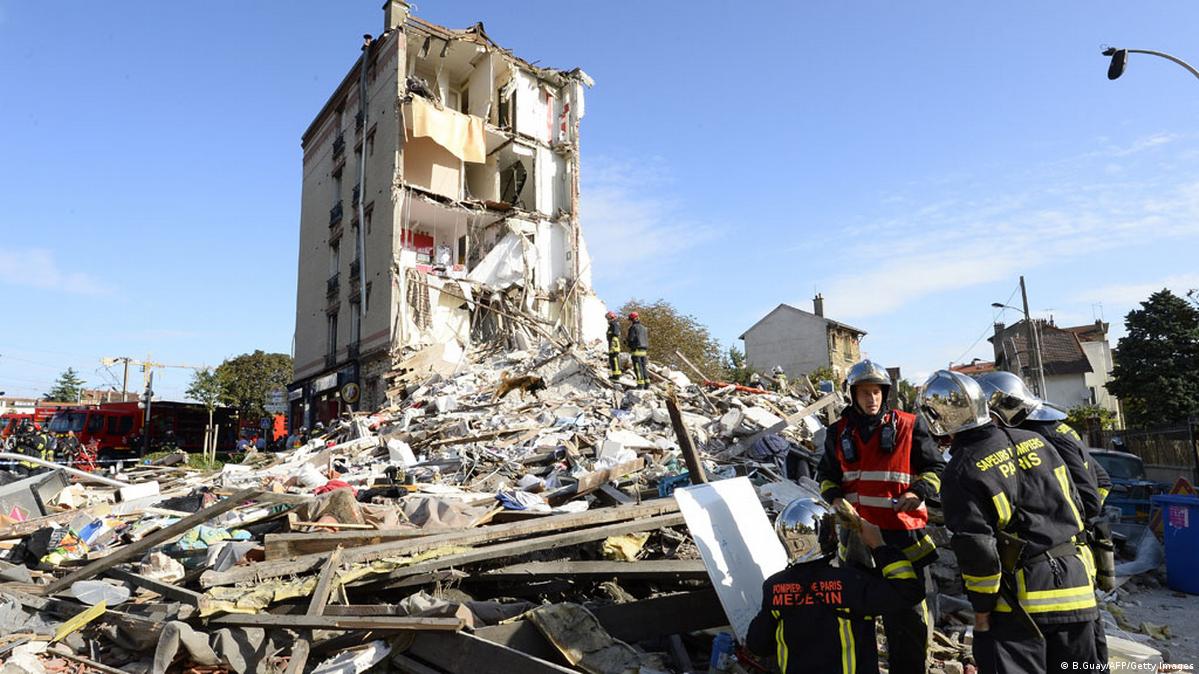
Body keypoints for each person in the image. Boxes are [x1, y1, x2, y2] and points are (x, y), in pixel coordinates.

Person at [918, 370, 1100, 673]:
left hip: (1020, 607)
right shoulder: (1038, 442)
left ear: (938, 417)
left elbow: (977, 550)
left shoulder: (962, 469)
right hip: (1078, 591)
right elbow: (1079, 507)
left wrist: (981, 612)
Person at [815, 359, 944, 674]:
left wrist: (918, 493)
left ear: (885, 394)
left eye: (876, 392)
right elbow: (826, 476)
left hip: (902, 539)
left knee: (908, 617)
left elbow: (937, 468)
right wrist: (834, 499)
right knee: (857, 615)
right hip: (857, 540)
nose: (871, 399)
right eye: (864, 392)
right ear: (853, 395)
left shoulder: (910, 426)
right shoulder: (838, 432)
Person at [974, 370, 1115, 659]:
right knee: (1088, 636)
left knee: (1075, 642)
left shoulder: (1042, 435)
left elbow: (1090, 500)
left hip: (1063, 556)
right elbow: (1103, 481)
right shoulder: (1057, 426)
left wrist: (1055, 522)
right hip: (1073, 557)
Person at [745, 497, 925, 674]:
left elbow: (758, 644)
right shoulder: (852, 583)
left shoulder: (774, 587)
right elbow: (909, 591)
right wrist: (879, 545)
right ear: (828, 536)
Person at [625, 312, 650, 389]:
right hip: (644, 351)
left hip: (636, 351)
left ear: (632, 319)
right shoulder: (644, 328)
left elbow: (631, 339)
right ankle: (647, 383)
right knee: (643, 367)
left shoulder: (633, 328)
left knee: (638, 368)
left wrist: (626, 342)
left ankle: (640, 384)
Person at [605, 311, 623, 380]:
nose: (608, 320)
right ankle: (615, 374)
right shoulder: (612, 325)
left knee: (614, 360)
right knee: (612, 360)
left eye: (608, 318)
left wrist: (613, 347)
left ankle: (616, 376)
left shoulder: (614, 324)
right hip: (612, 346)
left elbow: (615, 336)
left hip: (613, 346)